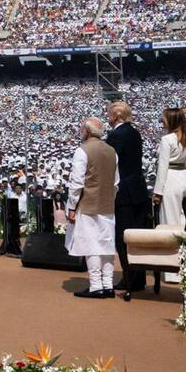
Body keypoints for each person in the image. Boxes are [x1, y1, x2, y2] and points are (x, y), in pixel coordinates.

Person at [65, 117, 119, 298]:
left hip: (88, 203)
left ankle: (96, 285)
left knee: (92, 245)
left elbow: (77, 183)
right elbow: (116, 182)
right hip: (108, 203)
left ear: (87, 132)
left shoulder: (82, 151)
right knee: (107, 244)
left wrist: (71, 207)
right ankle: (108, 284)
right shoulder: (112, 151)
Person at [105, 101, 150, 291]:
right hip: (138, 189)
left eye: (109, 114)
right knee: (137, 234)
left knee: (123, 236)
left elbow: (108, 160)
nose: (108, 118)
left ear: (115, 116)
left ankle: (130, 277)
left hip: (124, 192)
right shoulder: (134, 132)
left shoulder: (117, 135)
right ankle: (138, 277)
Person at [153, 107, 186, 227]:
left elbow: (163, 167)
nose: (162, 121)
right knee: (185, 216)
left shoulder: (166, 139)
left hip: (170, 181)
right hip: (184, 179)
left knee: (169, 219)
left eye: (164, 119)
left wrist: (158, 192)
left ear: (171, 120)